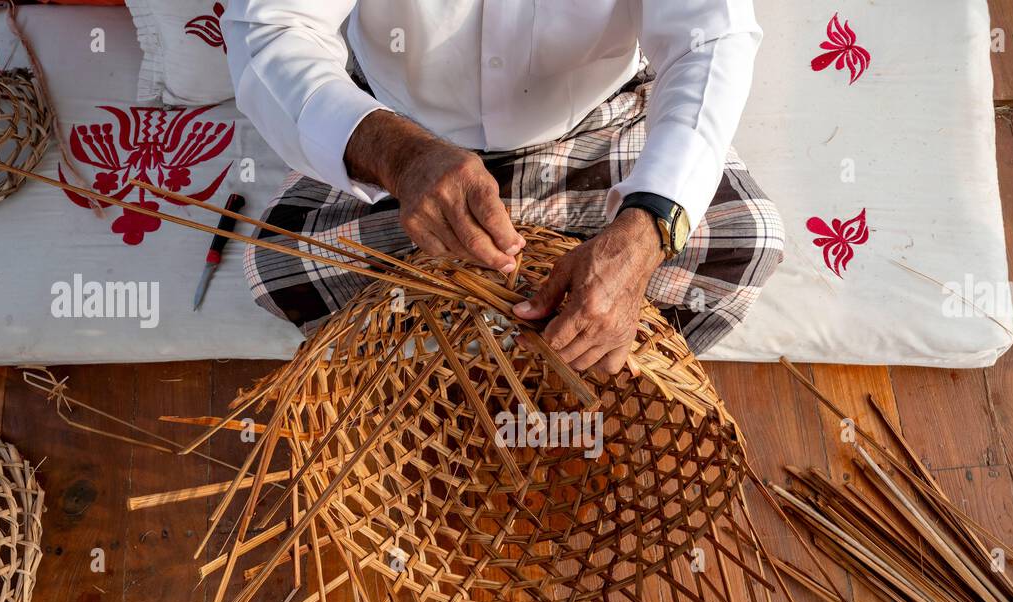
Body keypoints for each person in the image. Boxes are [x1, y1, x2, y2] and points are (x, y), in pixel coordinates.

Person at [223, 0, 783, 375]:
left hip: (594, 122)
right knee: (282, 270)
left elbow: (710, 38)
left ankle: (589, 363)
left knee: (744, 239)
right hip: (402, 131)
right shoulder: (401, 147)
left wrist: (644, 232)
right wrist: (401, 156)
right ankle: (444, 389)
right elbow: (272, 30)